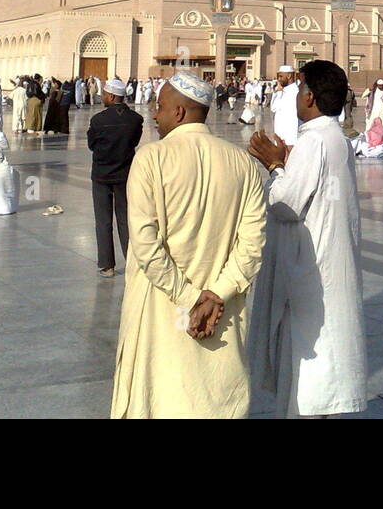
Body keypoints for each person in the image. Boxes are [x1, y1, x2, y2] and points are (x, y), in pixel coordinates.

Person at [111, 71, 267, 419]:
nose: (154, 114)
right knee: (212, 398)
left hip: (162, 307)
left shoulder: (151, 159)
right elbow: (253, 245)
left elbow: (146, 247)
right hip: (220, 312)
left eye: (160, 106)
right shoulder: (244, 164)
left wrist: (190, 297)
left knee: (161, 396)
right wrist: (217, 294)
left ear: (179, 113)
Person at [247, 60, 367, 418]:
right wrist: (288, 160)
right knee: (324, 360)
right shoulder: (335, 138)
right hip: (329, 264)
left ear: (311, 96)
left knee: (307, 368)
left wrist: (274, 166)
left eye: (300, 89)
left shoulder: (314, 139)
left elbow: (285, 203)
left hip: (309, 271)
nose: (298, 95)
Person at [88, 77, 144, 277]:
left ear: (111, 96)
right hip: (125, 174)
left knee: (103, 220)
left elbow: (91, 144)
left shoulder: (98, 120)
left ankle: (106, 265)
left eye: (104, 94)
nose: (103, 97)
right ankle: (132, 261)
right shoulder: (135, 119)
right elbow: (135, 141)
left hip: (102, 175)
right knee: (125, 219)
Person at [269, 64, 299, 147]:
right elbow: (273, 108)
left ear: (289, 76)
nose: (279, 79)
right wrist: (278, 91)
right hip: (280, 134)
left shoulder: (296, 92)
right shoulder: (281, 91)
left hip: (291, 137)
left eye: (281, 76)